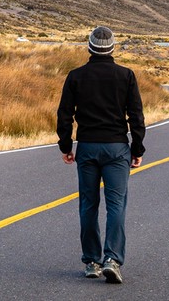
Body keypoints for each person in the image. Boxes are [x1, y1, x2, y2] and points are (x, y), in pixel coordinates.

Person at [57, 26, 146, 284]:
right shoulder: (126, 76)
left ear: (90, 47)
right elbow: (136, 117)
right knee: (116, 204)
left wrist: (65, 146)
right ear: (113, 48)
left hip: (87, 147)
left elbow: (64, 115)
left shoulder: (75, 76)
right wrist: (137, 149)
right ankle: (112, 260)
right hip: (117, 148)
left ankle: (92, 261)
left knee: (88, 204)